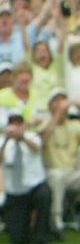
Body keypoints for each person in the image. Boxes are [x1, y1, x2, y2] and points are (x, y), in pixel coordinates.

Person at [0, 112, 52, 244]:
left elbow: (36, 149)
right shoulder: (1, 143)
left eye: (19, 125)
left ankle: (41, 241)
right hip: (15, 192)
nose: (15, 128)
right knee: (18, 239)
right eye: (13, 125)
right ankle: (38, 231)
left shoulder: (33, 138)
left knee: (44, 195)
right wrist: (7, 140)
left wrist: (22, 138)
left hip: (34, 186)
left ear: (24, 126)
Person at [42, 91, 79, 233]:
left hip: (73, 173)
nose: (61, 105)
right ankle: (56, 219)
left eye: (63, 101)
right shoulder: (45, 124)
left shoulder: (75, 125)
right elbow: (43, 140)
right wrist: (58, 114)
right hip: (52, 171)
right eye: (56, 102)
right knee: (57, 177)